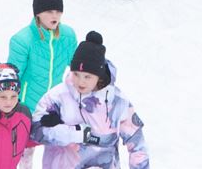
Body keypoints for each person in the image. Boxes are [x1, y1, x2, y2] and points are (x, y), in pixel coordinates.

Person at [30, 31, 149, 169]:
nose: (80, 82)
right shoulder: (57, 97)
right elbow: (35, 131)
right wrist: (75, 133)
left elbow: (137, 143)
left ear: (99, 76)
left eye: (87, 77)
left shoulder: (117, 101)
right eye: (76, 74)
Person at [7, 0, 78, 169]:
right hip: (27, 109)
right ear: (38, 13)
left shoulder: (67, 36)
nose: (54, 15)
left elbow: (76, 69)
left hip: (55, 108)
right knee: (25, 154)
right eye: (49, 11)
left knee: (58, 153)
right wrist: (11, 109)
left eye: (58, 11)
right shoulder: (22, 40)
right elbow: (13, 79)